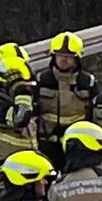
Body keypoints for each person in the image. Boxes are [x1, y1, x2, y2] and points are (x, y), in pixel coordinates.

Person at [36, 31, 98, 166]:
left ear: (77, 58)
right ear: (53, 56)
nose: (63, 59)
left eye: (69, 56)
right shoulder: (42, 80)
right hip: (47, 144)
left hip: (77, 145)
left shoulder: (87, 82)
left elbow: (94, 115)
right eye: (60, 55)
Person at [0, 42, 39, 177]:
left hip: (26, 169)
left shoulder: (17, 100)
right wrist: (21, 89)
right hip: (5, 173)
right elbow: (20, 118)